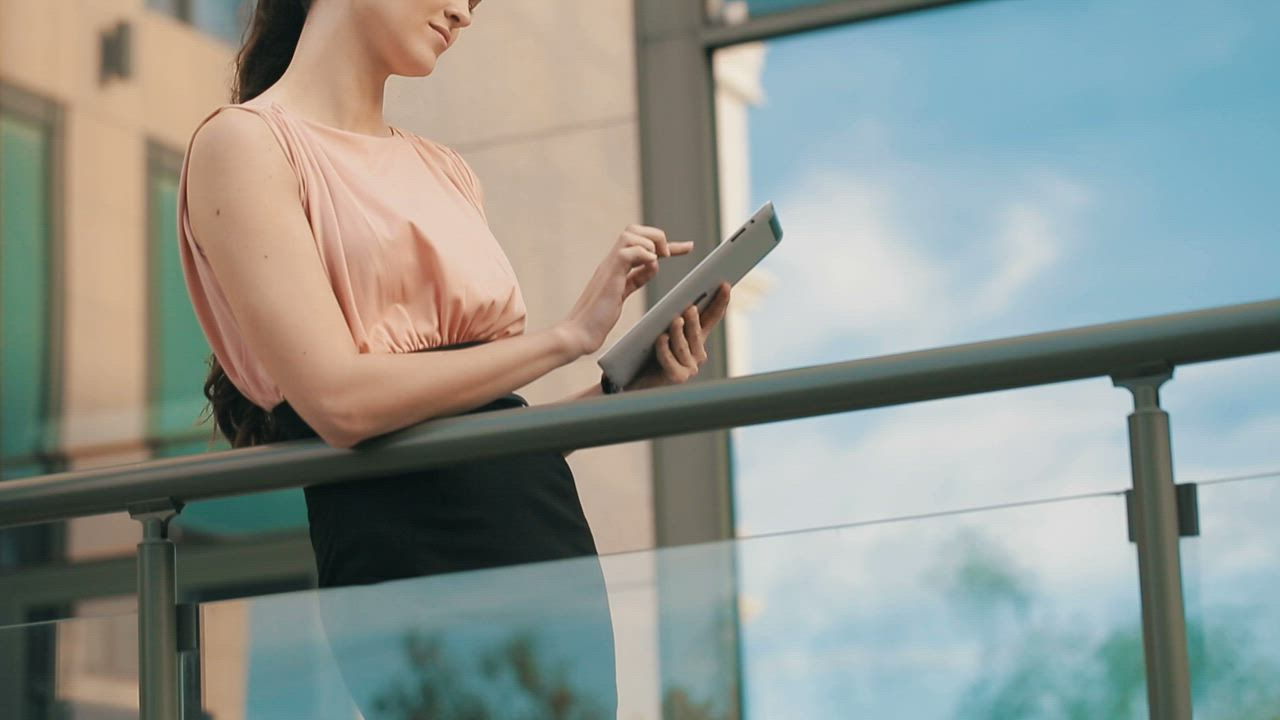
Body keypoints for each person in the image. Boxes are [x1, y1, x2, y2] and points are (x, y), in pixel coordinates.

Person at [176, 0, 732, 715]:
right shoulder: (244, 145)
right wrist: (569, 335)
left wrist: (619, 391)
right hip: (410, 566)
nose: (464, 11)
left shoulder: (443, 169)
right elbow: (339, 402)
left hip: (549, 550)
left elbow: (484, 426)